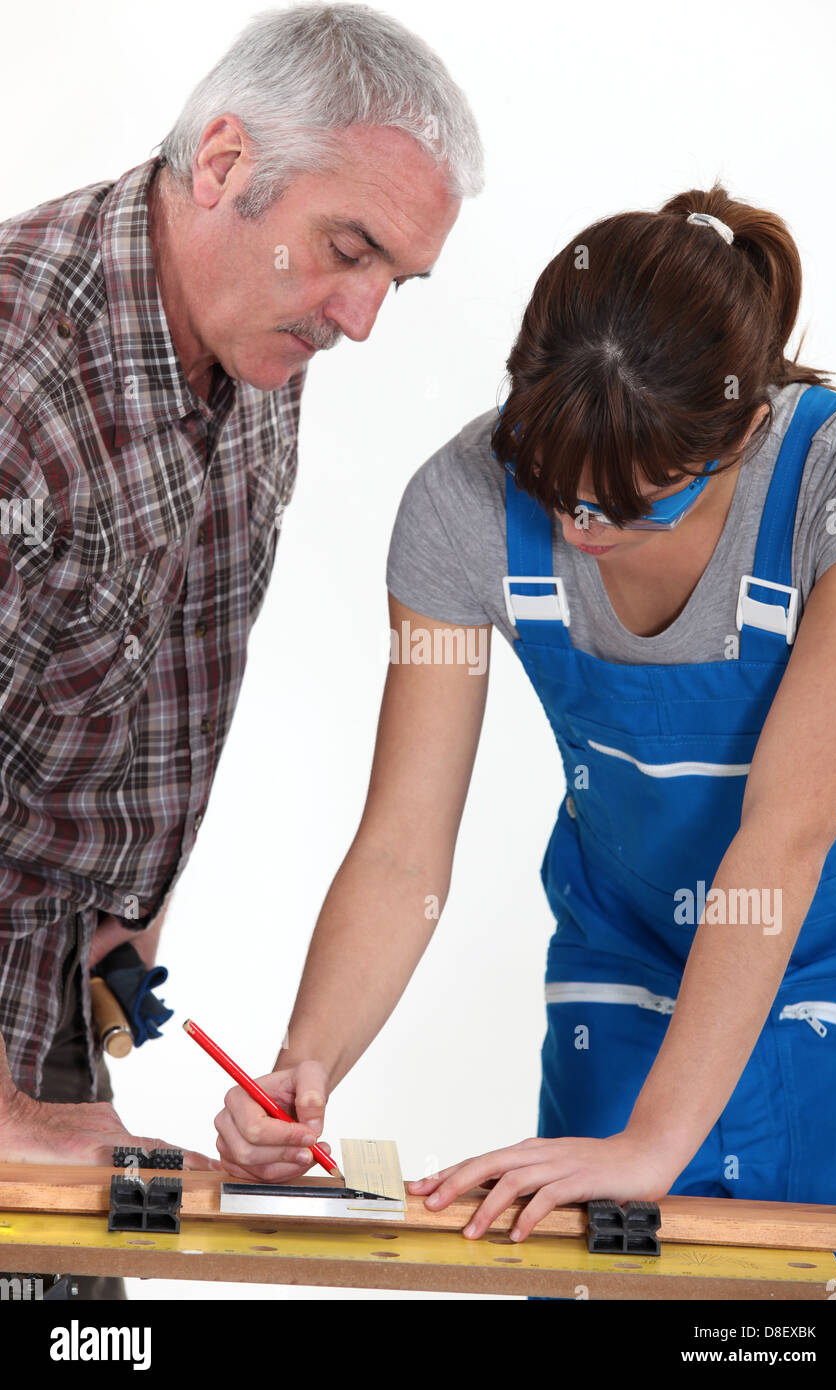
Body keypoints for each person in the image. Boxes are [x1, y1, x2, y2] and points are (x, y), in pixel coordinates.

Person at [215, 184, 836, 1285]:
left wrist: (653, 1141)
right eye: (552, 484)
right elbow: (402, 848)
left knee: (794, 1315)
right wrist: (303, 1064)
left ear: (744, 431)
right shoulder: (459, 504)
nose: (578, 527)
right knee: (599, 1277)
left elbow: (785, 834)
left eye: (631, 505)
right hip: (624, 966)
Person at [0, 3, 481, 1295]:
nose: (362, 319)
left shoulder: (257, 345)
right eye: (349, 250)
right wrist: (12, 1118)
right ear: (221, 164)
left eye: (395, 281)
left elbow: (139, 673)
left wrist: (118, 947)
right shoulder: (16, 367)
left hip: (49, 1018)